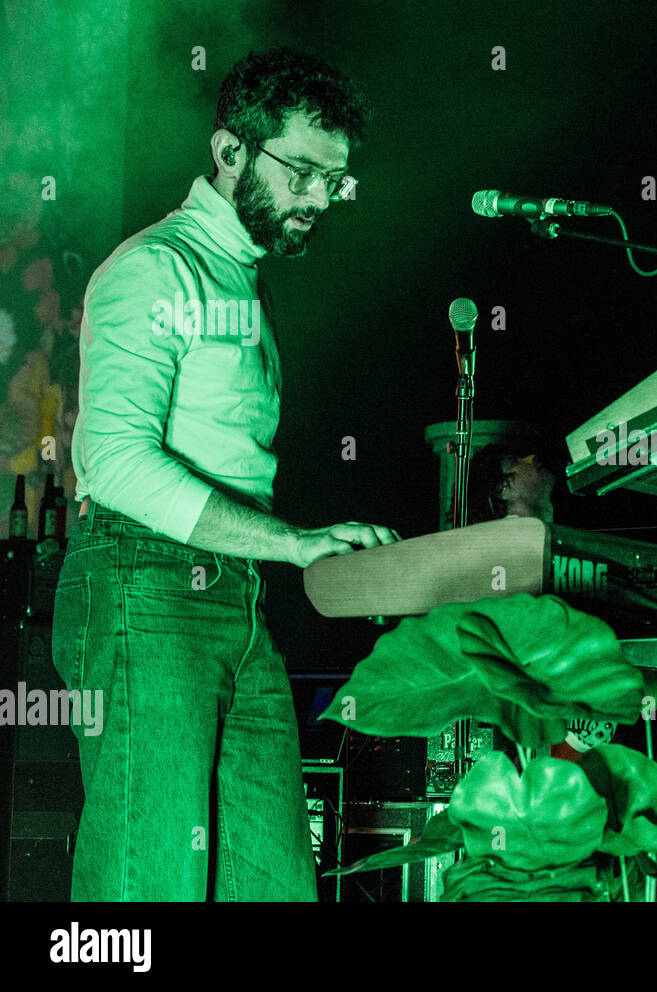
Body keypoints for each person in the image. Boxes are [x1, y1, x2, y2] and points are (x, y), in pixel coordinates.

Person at [52, 47, 399, 901]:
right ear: (230, 152)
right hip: (144, 585)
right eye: (304, 171)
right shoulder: (153, 269)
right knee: (149, 885)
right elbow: (118, 465)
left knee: (275, 887)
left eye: (336, 180)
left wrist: (297, 552)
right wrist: (296, 541)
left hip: (235, 600)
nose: (321, 198)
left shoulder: (239, 280)